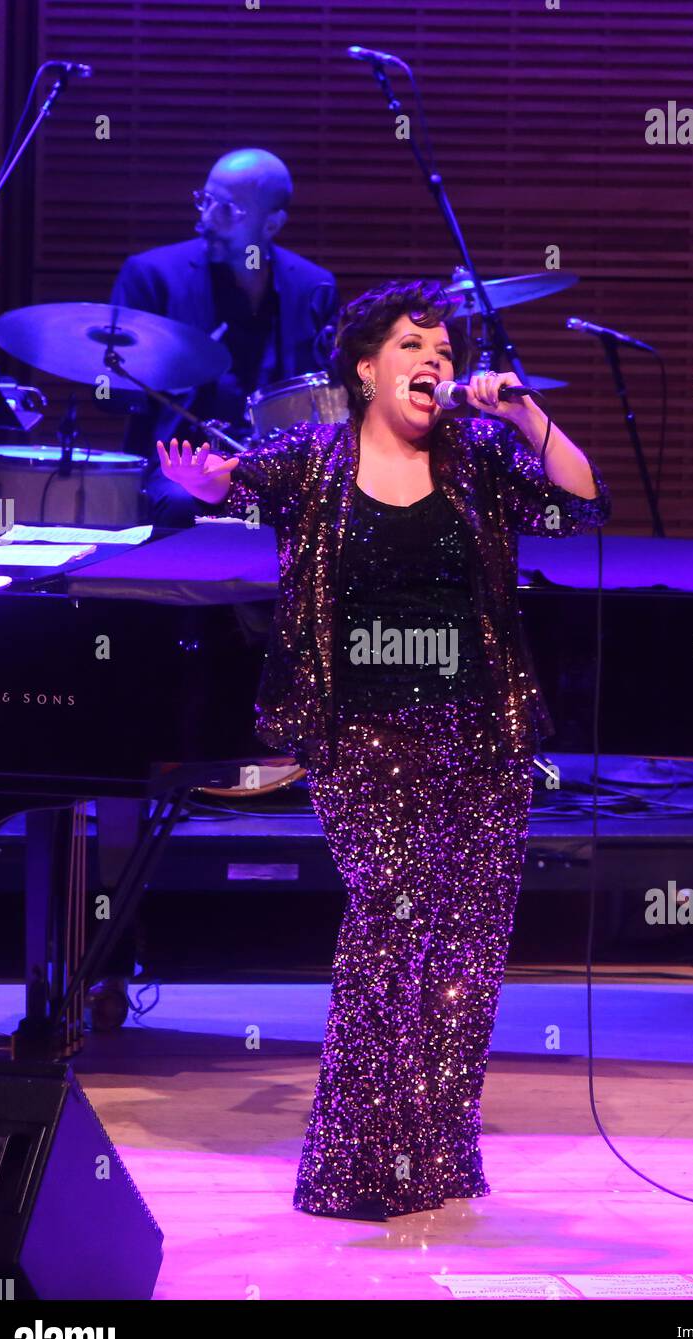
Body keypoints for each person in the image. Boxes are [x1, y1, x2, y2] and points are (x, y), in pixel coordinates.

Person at [156, 279, 611, 1220]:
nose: (433, 362)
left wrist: (523, 410)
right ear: (366, 369)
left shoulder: (479, 456)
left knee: (467, 950)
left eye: (443, 351)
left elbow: (580, 505)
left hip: (482, 733)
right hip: (360, 733)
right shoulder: (310, 460)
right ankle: (354, 1163)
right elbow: (225, 482)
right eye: (412, 346)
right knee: (389, 922)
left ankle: (437, 1157)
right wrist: (202, 485)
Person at [111, 148, 338, 526]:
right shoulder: (151, 275)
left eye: (227, 210)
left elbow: (333, 397)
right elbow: (118, 393)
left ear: (271, 225)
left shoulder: (313, 286)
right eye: (205, 200)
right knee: (184, 503)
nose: (206, 219)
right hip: (182, 464)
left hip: (280, 463)